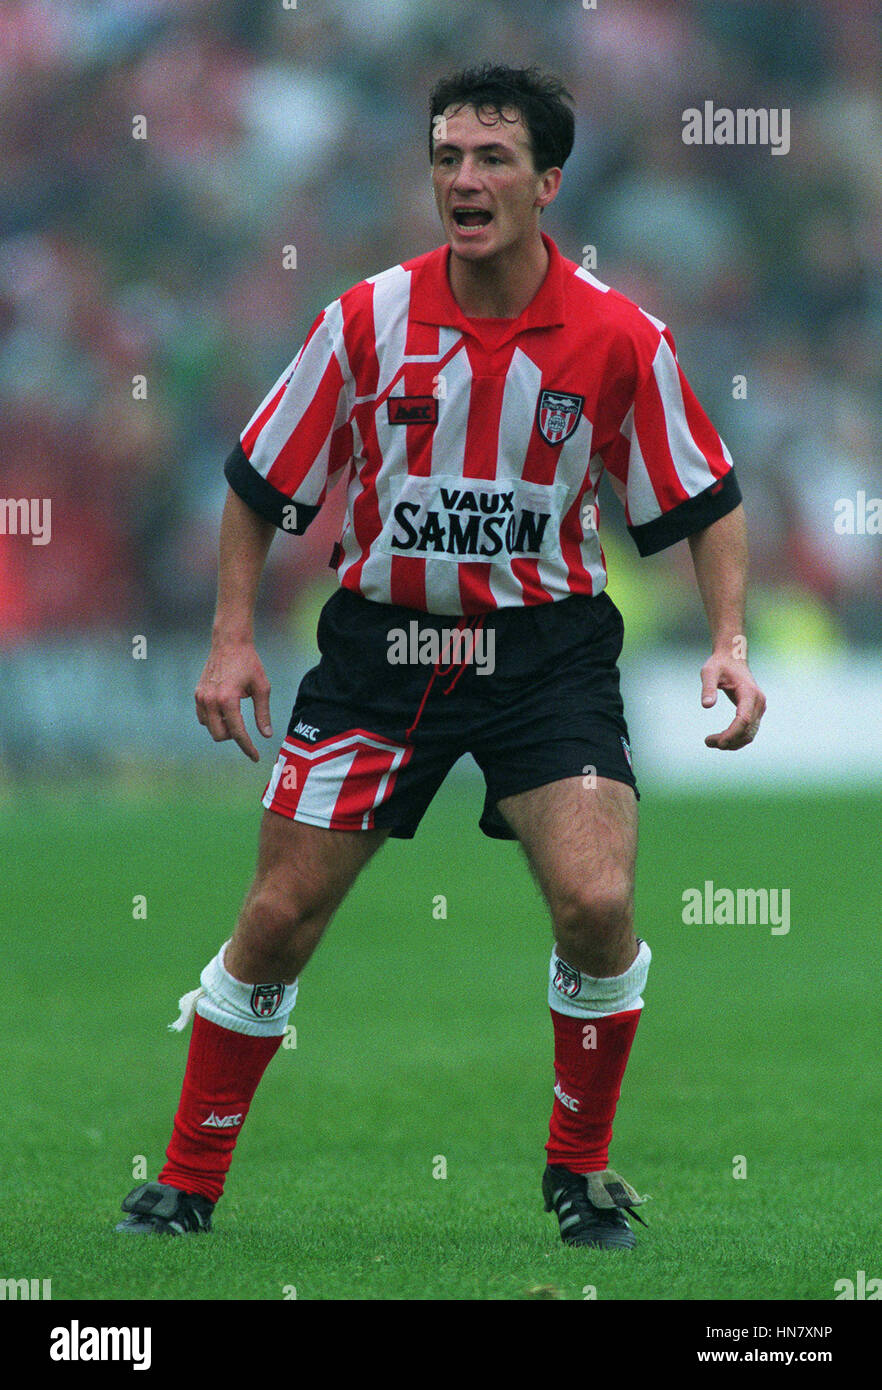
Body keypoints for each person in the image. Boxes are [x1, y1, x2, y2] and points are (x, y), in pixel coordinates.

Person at [116, 64, 766, 1249]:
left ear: (547, 183)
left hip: (545, 654)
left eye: (492, 159)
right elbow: (261, 484)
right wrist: (226, 639)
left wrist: (728, 641)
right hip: (383, 656)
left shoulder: (621, 336)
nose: (463, 180)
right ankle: (185, 1182)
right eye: (447, 158)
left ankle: (581, 1175)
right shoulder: (361, 320)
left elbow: (706, 497)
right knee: (277, 917)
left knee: (598, 897)